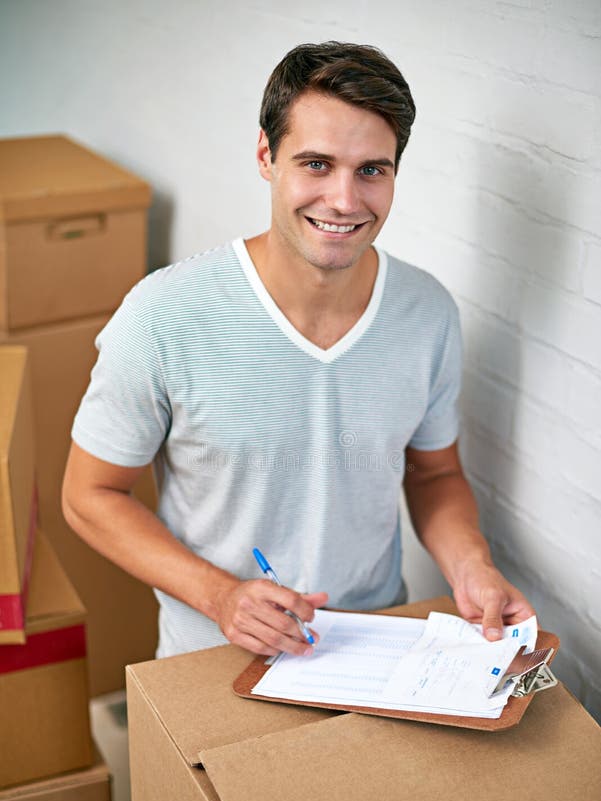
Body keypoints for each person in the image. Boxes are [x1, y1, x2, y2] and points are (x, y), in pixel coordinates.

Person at [62, 41, 535, 660]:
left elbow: (435, 471)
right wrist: (221, 596)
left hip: (375, 650)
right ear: (266, 155)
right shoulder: (162, 316)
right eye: (316, 164)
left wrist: (471, 565)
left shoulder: (427, 313)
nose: (344, 200)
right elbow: (89, 495)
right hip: (212, 658)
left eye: (372, 169)